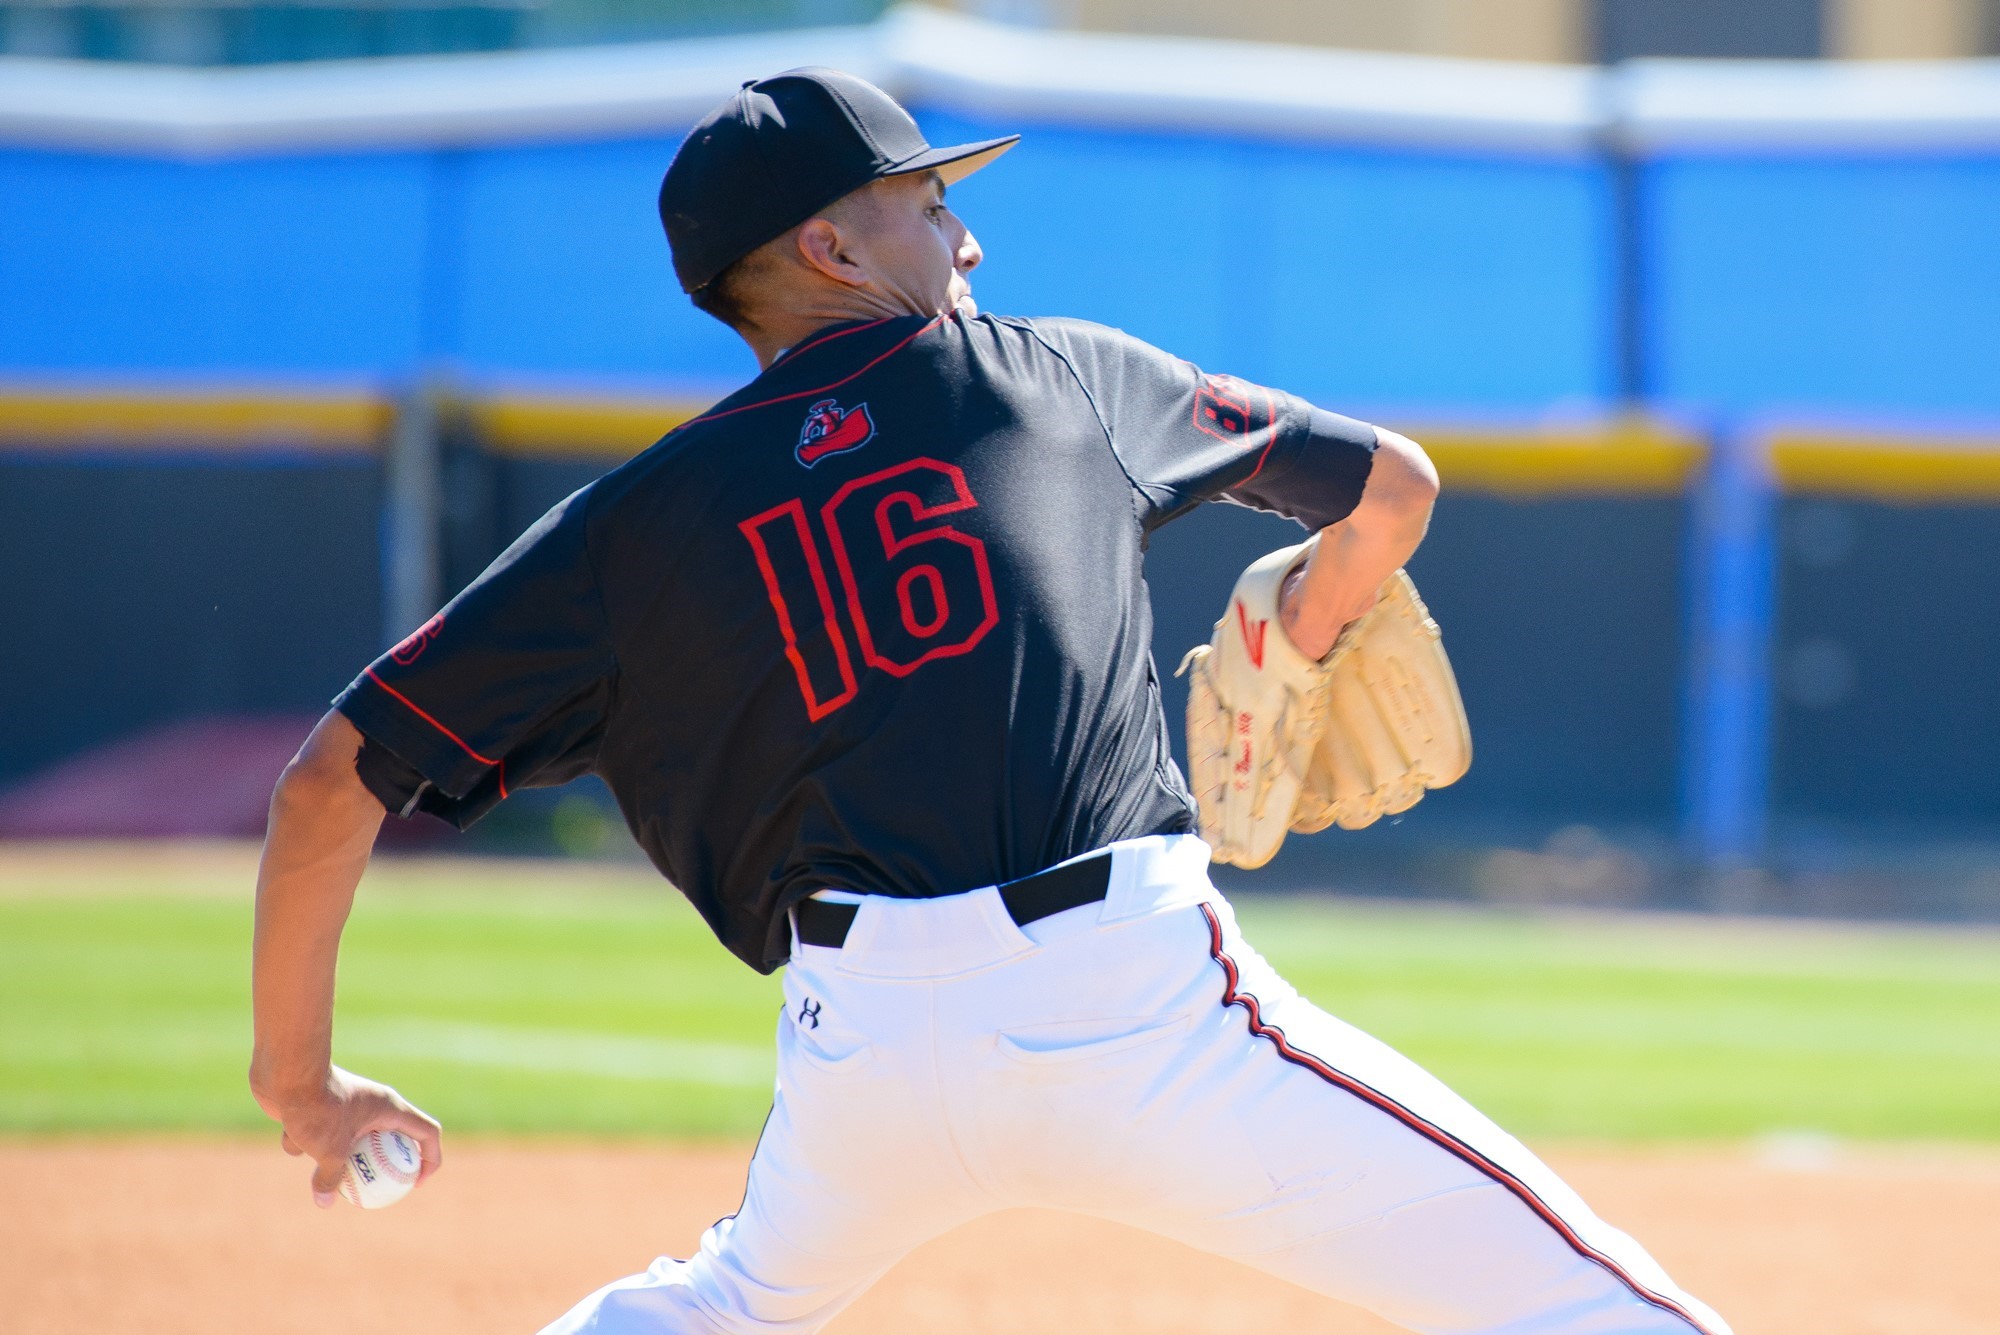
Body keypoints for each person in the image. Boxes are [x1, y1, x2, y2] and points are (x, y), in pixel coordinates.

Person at [249, 68, 1731, 1335]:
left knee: (731, 1301)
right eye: (927, 202)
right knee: (1587, 1305)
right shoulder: (1054, 376)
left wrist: (302, 1086)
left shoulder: (623, 529)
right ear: (831, 245)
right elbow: (1395, 484)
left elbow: (331, 780)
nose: (967, 231)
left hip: (862, 1054)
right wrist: (1304, 632)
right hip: (1138, 1014)